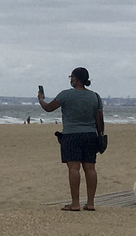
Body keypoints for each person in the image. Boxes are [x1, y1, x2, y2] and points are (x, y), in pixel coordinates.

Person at [36, 66, 105, 211]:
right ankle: (91, 203)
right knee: (90, 168)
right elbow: (99, 119)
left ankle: (75, 203)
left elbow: (48, 108)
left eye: (71, 77)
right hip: (90, 134)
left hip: (71, 134)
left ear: (77, 78)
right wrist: (100, 135)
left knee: (74, 168)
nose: (70, 79)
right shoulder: (95, 96)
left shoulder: (66, 95)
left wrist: (41, 99)